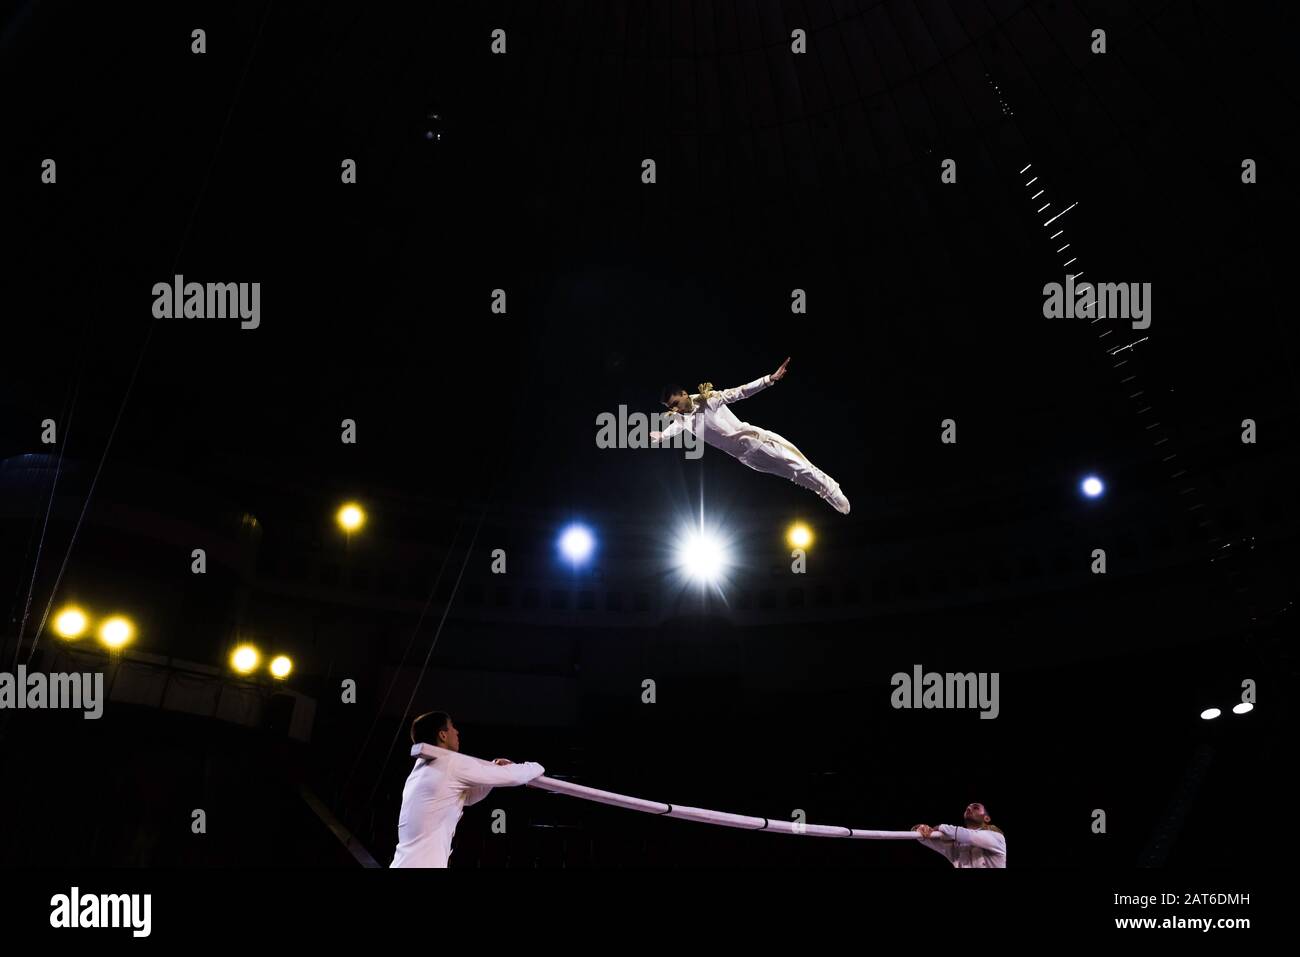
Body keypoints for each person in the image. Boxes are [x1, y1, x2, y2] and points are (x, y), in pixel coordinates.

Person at [650, 357, 851, 514]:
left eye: (676, 403)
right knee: (792, 475)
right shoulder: (679, 418)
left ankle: (832, 489)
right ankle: (823, 492)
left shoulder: (708, 400)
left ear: (685, 394)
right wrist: (662, 436)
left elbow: (740, 392)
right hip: (747, 458)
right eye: (671, 407)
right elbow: (676, 428)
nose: (675, 409)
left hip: (757, 440)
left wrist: (769, 380)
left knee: (797, 463)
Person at [390, 711, 545, 868]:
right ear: (443, 735)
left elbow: (467, 797)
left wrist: (493, 769)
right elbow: (513, 777)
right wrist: (534, 767)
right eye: (452, 727)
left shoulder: (422, 769)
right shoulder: (451, 762)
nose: (457, 731)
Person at [911, 802, 1007, 868]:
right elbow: (927, 838)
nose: (969, 808)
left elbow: (971, 836)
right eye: (967, 808)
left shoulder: (997, 837)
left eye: (976, 807)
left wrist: (940, 827)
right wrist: (920, 828)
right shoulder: (957, 844)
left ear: (986, 818)